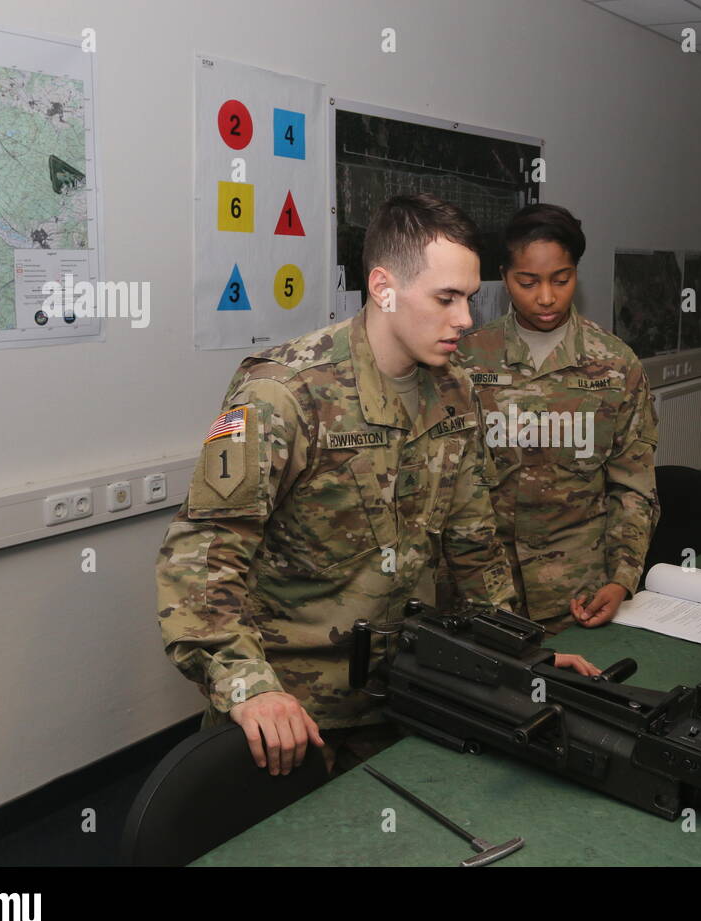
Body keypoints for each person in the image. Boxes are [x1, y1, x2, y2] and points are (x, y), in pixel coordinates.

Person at [156, 194, 515, 776]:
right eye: (445, 298)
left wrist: (517, 658)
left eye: (470, 298)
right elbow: (200, 561)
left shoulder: (455, 392)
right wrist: (250, 687)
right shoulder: (283, 394)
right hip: (288, 718)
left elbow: (474, 545)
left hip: (403, 697)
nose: (466, 319)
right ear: (384, 287)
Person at [454, 203, 660, 652]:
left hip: (579, 594)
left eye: (561, 279)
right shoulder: (465, 360)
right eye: (528, 282)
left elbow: (634, 486)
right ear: (504, 276)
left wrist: (623, 578)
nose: (546, 297)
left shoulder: (615, 366)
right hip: (483, 590)